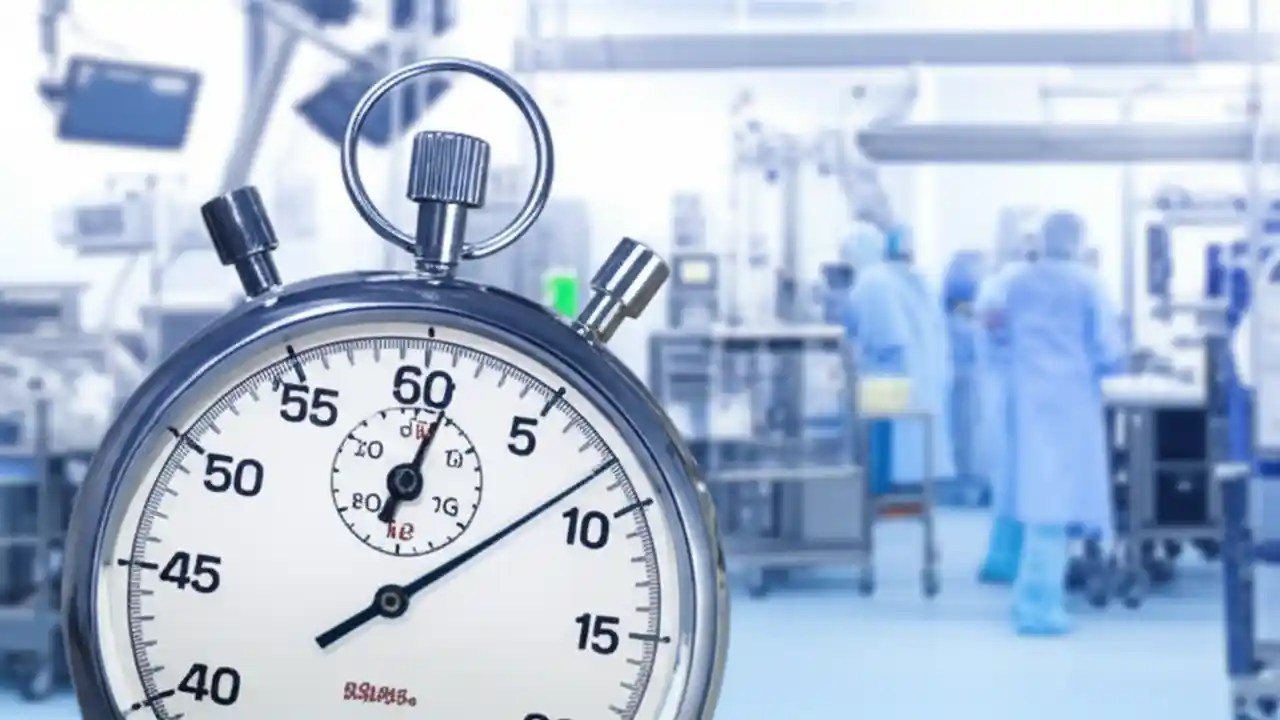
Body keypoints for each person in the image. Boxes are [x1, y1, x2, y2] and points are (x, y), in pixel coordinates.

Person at [995, 212, 1125, 636]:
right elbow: (1108, 349)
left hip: (1028, 396)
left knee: (1039, 493)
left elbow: (1000, 334)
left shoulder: (1017, 281)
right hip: (1070, 397)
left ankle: (1031, 598)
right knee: (1059, 496)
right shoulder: (1088, 283)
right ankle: (1040, 606)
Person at [844, 221, 956, 491]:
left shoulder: (872, 281)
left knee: (886, 444)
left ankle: (880, 489)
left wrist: (854, 356)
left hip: (890, 380)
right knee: (911, 448)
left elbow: (887, 338)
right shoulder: (901, 278)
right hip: (915, 375)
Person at [973, 244, 1031, 585]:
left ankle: (1006, 557)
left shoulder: (1004, 283)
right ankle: (1006, 558)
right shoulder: (1003, 285)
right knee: (1013, 477)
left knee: (1014, 478)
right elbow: (991, 320)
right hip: (1010, 389)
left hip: (1014, 389)